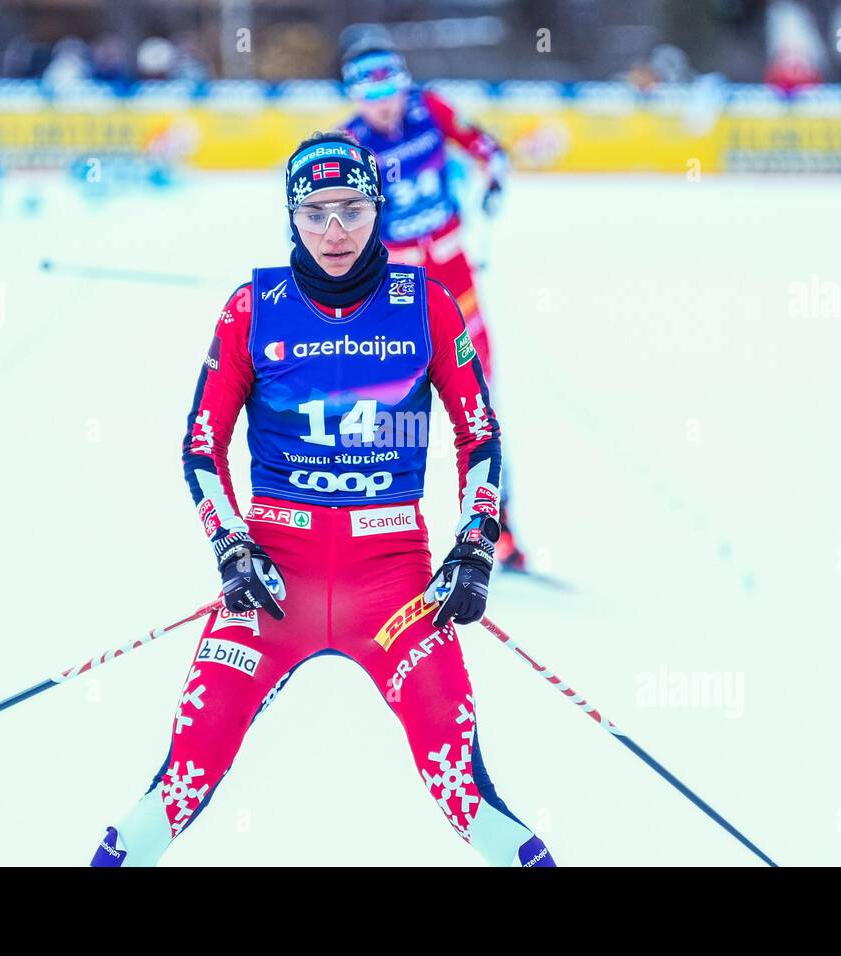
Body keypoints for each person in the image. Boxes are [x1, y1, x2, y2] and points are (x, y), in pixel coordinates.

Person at [88, 132, 555, 868]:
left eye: (352, 208)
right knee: (178, 785)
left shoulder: (425, 305)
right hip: (274, 586)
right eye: (314, 212)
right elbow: (201, 444)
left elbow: (481, 436)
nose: (334, 230)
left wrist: (474, 543)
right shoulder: (252, 308)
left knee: (468, 795)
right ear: (291, 216)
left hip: (395, 590)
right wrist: (231, 543)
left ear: (378, 208)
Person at [339, 47, 529, 570]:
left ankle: (496, 528)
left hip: (453, 272)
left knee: (478, 399)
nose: (383, 105)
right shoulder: (350, 143)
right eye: (369, 94)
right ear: (355, 97)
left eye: (389, 89)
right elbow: (330, 220)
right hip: (398, 288)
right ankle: (380, 533)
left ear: (404, 84)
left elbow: (486, 145)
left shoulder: (430, 110)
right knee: (395, 408)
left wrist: (493, 172)